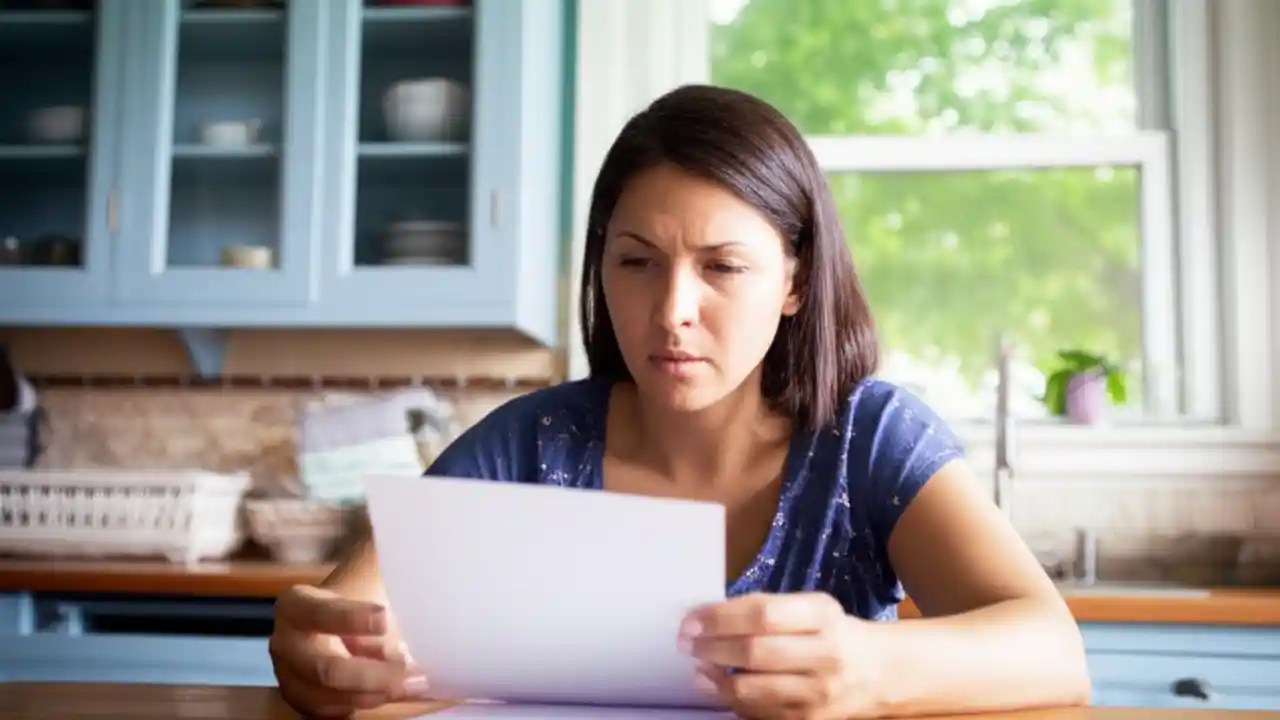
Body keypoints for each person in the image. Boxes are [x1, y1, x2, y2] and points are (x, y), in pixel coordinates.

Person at [269, 84, 1090, 719]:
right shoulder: (529, 443)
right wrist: (315, 655)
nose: (671, 312)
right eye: (636, 262)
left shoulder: (869, 439)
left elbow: (1054, 651)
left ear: (796, 280)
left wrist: (869, 666)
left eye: (723, 267)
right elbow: (347, 626)